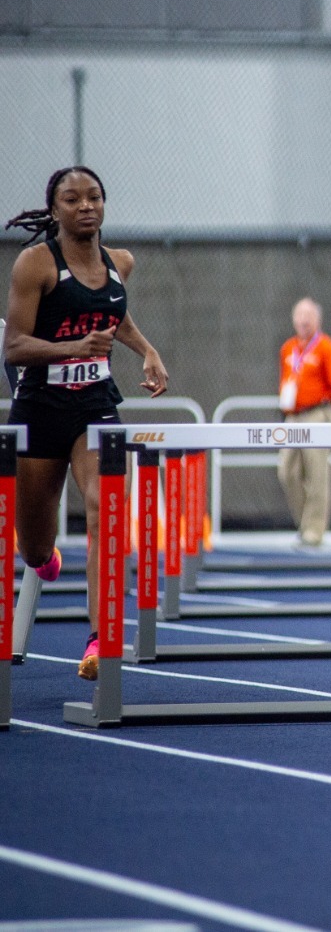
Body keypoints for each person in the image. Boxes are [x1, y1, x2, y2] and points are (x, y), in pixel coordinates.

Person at [4, 168, 169, 680]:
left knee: (103, 508)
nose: (85, 206)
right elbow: (13, 346)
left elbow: (112, 315)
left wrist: (147, 351)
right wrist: (71, 348)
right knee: (32, 544)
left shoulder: (121, 263)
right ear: (54, 210)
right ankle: (44, 558)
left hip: (95, 407)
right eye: (72, 199)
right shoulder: (36, 265)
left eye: (94, 197)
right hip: (40, 410)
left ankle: (101, 637)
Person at [276, 297, 331, 550]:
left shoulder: (327, 348)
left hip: (317, 414)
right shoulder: (288, 349)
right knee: (287, 471)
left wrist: (329, 411)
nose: (303, 321)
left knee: (317, 473)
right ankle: (305, 522)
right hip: (293, 416)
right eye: (299, 315)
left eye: (308, 316)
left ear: (317, 320)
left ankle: (314, 531)